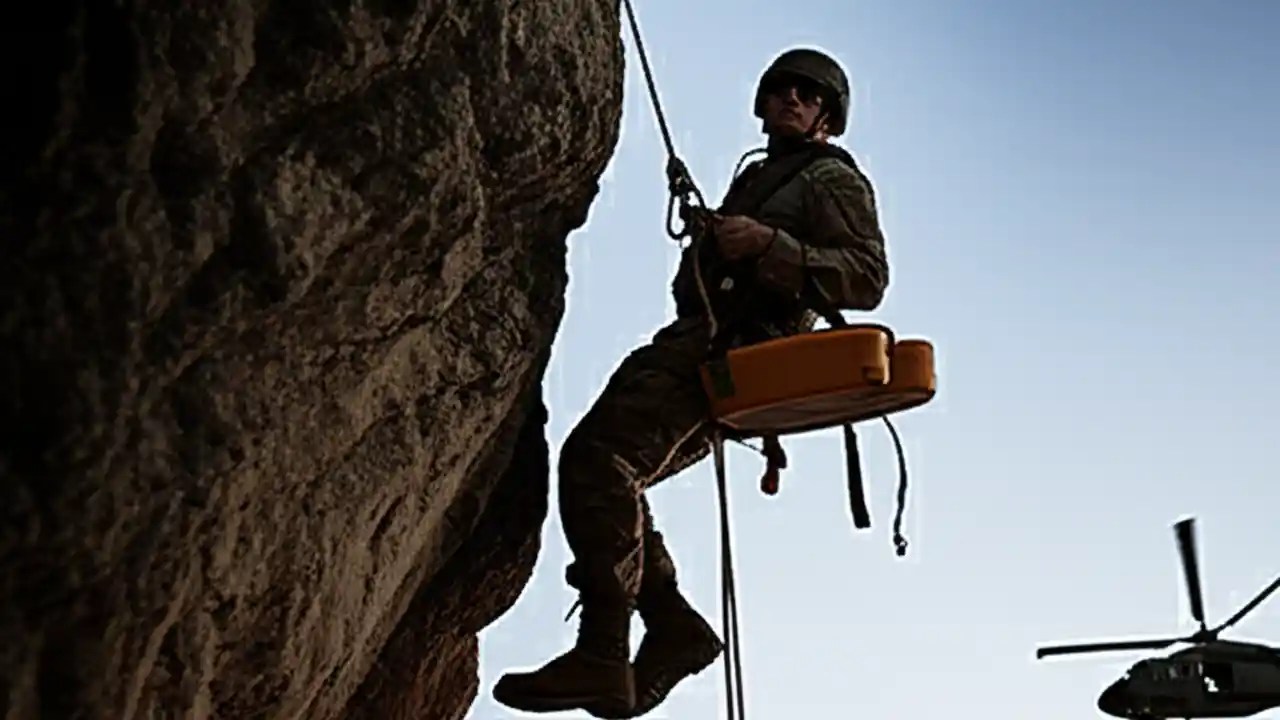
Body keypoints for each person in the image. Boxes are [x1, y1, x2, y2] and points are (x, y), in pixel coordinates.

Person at [493, 46, 891, 718]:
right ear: (764, 101)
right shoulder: (763, 177)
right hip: (714, 351)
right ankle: (670, 625)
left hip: (734, 350)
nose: (793, 99)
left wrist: (768, 246)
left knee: (600, 461)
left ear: (827, 115)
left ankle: (605, 648)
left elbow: (867, 278)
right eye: (783, 89)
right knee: (616, 473)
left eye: (809, 94)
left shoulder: (830, 180)